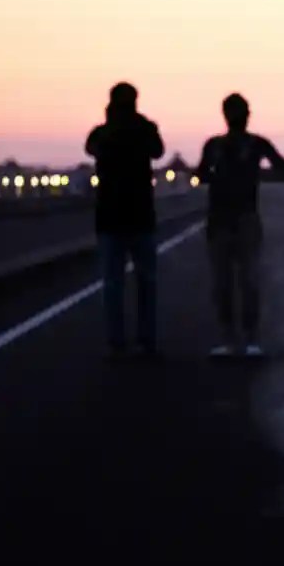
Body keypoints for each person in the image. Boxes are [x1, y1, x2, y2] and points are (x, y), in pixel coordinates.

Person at [195, 93, 284, 357]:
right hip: (228, 220)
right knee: (231, 283)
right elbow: (201, 174)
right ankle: (241, 340)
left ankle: (240, 339)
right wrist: (250, 173)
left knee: (238, 282)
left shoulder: (234, 145)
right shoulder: (234, 145)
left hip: (237, 220)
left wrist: (251, 174)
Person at [84, 82, 165, 359]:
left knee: (114, 284)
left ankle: (117, 343)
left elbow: (92, 148)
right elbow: (157, 151)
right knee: (146, 283)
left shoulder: (103, 132)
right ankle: (145, 341)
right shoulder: (144, 128)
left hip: (112, 217)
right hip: (139, 216)